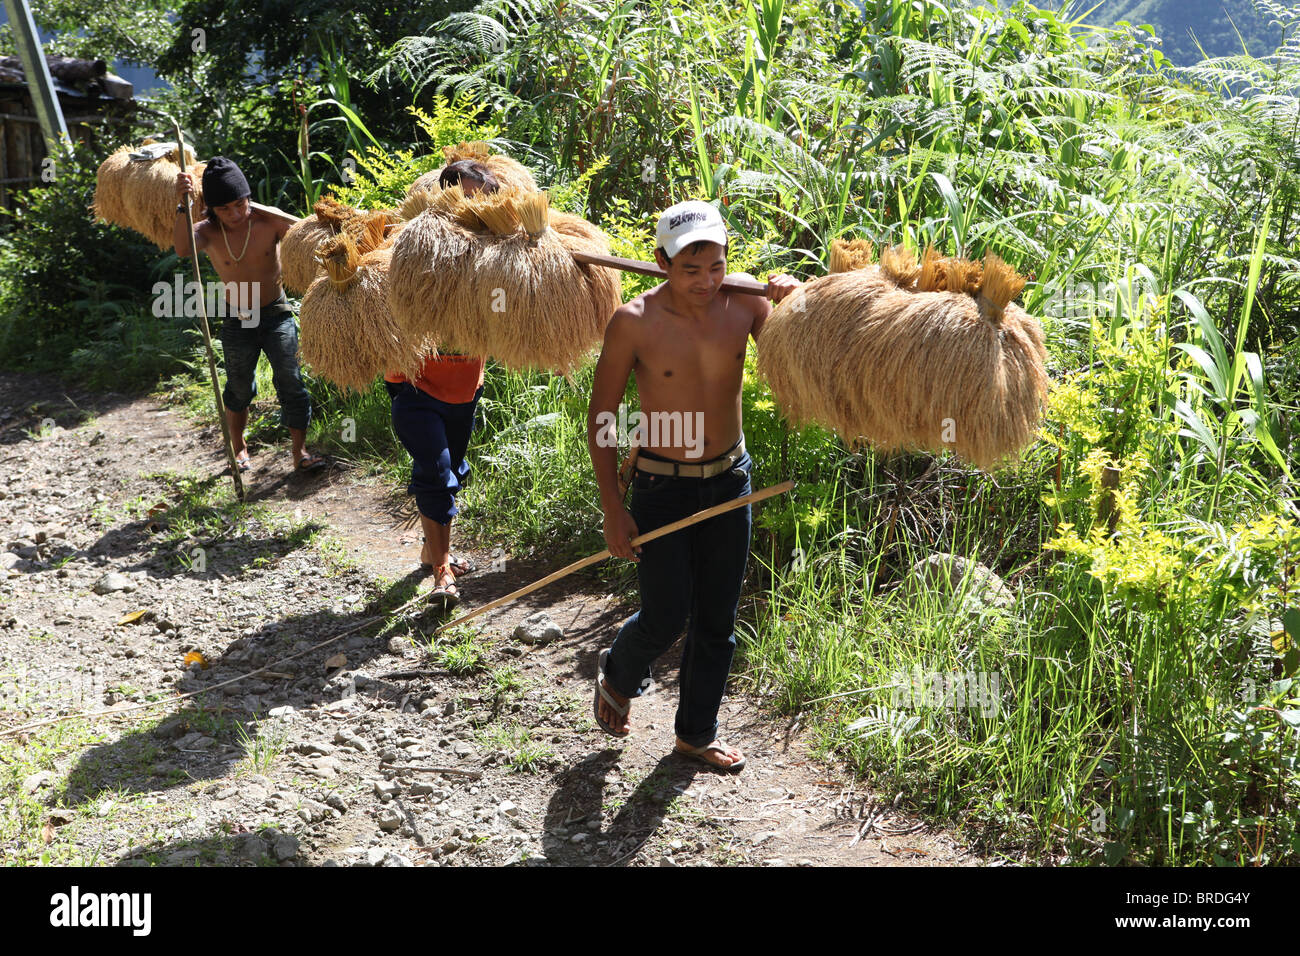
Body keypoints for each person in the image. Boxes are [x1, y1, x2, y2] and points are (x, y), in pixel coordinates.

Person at [587, 199, 800, 772]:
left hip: (731, 480)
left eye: (716, 267)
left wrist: (795, 300)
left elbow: (797, 361)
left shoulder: (746, 304)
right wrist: (613, 507)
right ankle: (619, 672)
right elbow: (603, 416)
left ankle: (695, 734)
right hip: (662, 486)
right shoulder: (635, 321)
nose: (706, 282)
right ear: (661, 261)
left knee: (717, 619)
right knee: (665, 612)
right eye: (689, 269)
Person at [383, 159, 497, 609]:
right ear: (441, 195)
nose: (471, 206)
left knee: (452, 470)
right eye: (463, 196)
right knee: (435, 470)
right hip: (413, 382)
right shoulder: (412, 244)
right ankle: (442, 573)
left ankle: (433, 548)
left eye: (480, 198)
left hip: (465, 385)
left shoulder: (498, 247)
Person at [174, 157, 326, 474]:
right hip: (238, 316)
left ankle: (299, 451)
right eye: (224, 209)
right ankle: (239, 446)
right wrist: (182, 203)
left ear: (248, 198)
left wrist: (261, 209)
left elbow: (306, 229)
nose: (234, 214)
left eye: (239, 204)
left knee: (291, 381)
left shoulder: (268, 223)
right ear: (211, 210)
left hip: (277, 311)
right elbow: (183, 248)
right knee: (240, 386)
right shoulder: (207, 232)